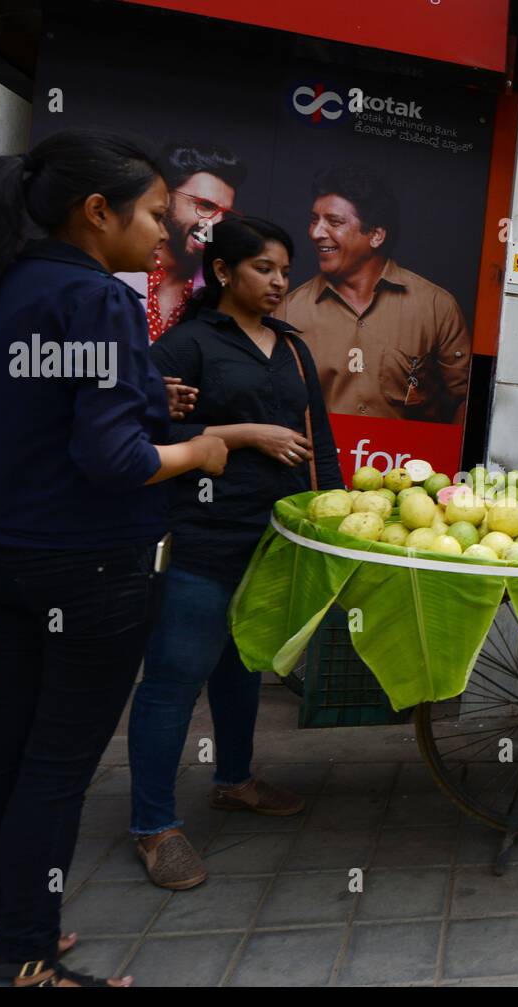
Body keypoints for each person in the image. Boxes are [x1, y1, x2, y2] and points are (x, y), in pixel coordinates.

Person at [0, 129, 227, 988]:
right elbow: (116, 459)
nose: (165, 232)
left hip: (11, 552)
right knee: (56, 769)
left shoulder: (0, 288)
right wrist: (202, 450)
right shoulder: (98, 299)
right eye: (154, 213)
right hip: (92, 565)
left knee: (6, 744)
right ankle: (25, 964)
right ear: (97, 210)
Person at [129, 217, 341, 890]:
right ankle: (154, 827)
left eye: (285, 270)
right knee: (173, 679)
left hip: (272, 534)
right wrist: (245, 433)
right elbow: (142, 433)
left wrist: (333, 514)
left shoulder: (293, 348)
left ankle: (235, 779)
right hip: (202, 533)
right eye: (264, 269)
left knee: (244, 661)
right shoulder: (188, 345)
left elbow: (320, 439)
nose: (279, 282)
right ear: (223, 272)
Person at [278, 164, 472, 423]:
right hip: (319, 461)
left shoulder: (436, 307)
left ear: (376, 235)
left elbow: (464, 399)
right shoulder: (289, 311)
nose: (316, 233)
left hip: (406, 462)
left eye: (334, 222)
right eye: (314, 220)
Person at [119, 142, 247, 341]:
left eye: (225, 214)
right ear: (164, 198)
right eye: (205, 205)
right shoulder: (113, 268)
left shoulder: (221, 294)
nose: (214, 224)